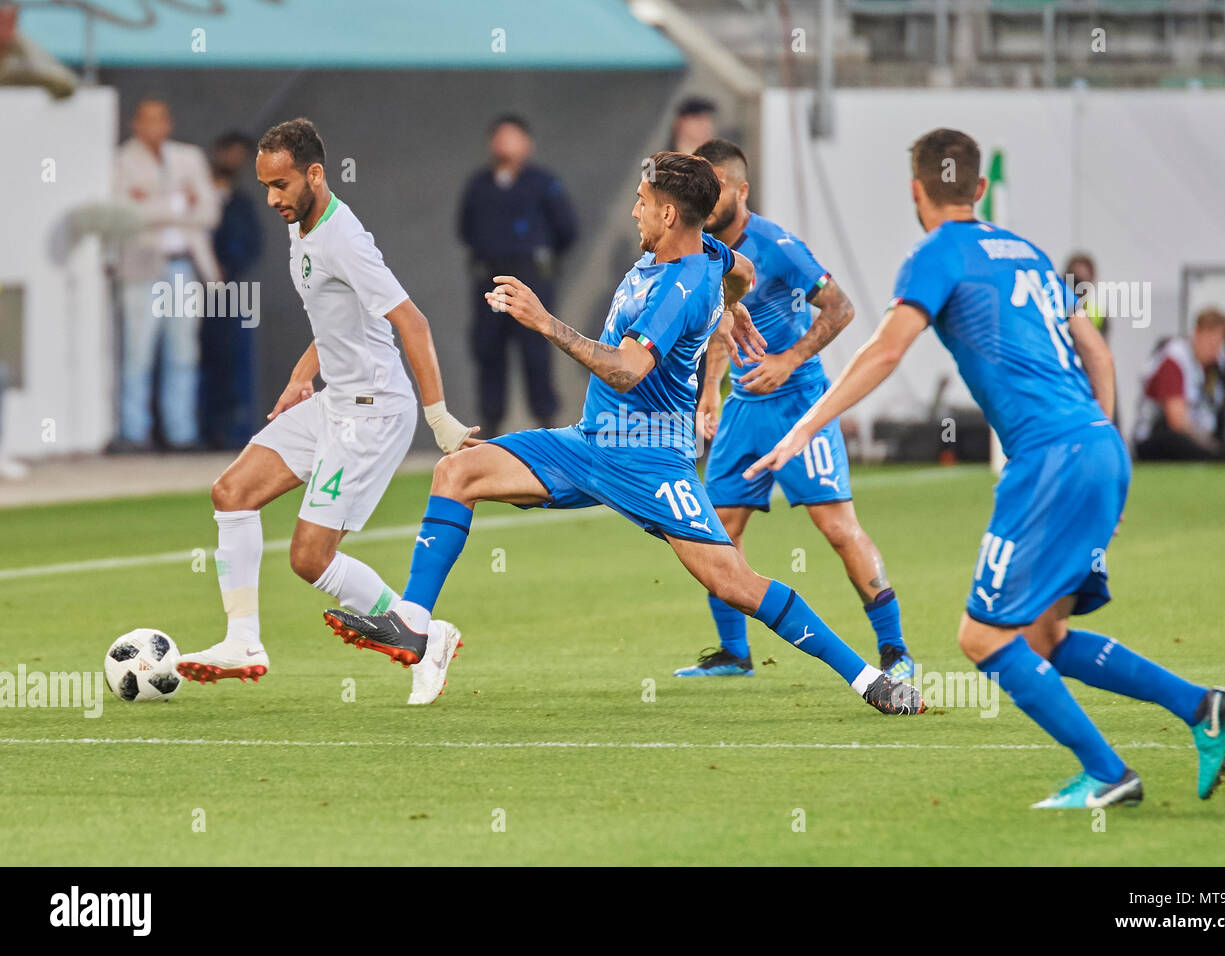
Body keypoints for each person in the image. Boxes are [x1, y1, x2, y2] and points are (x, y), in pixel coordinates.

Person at [321, 152, 925, 716]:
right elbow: (739, 269)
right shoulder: (706, 255)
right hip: (590, 444)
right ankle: (416, 623)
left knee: (734, 581)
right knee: (457, 471)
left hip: (649, 462)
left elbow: (628, 370)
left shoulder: (675, 288)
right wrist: (731, 306)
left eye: (641, 200)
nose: (634, 209)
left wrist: (544, 321)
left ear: (668, 213)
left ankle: (869, 679)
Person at [748, 128, 1225, 808]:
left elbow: (887, 352)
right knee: (1044, 634)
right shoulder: (1031, 254)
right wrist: (1100, 445)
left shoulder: (934, 254)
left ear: (917, 192)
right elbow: (1097, 353)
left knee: (982, 637)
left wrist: (807, 423)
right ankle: (1202, 708)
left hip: (1049, 456)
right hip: (1097, 445)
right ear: (979, 190)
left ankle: (1107, 773)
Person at [177, 118, 475, 706]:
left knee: (309, 558)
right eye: (265, 186)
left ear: (315, 174)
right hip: (334, 398)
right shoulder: (303, 225)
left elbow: (411, 322)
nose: (272, 199)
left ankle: (422, 633)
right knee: (231, 493)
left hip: (371, 413)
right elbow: (335, 317)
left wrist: (438, 416)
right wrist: (299, 377)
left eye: (281, 184)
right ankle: (243, 642)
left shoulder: (343, 238)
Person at [676, 139, 916, 681]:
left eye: (715, 187)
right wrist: (711, 390)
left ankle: (896, 650)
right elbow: (723, 323)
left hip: (800, 402)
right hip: (743, 406)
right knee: (716, 528)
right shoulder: (705, 250)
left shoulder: (777, 245)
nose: (706, 198)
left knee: (837, 527)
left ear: (741, 189)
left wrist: (789, 359)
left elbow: (842, 308)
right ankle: (736, 653)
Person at [458, 114, 577, 437]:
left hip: (530, 283)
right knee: (489, 352)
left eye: (513, 136)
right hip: (491, 285)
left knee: (536, 353)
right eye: (500, 136)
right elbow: (466, 229)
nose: (505, 143)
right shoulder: (479, 184)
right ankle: (489, 431)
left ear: (527, 143)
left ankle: (549, 429)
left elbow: (567, 229)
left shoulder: (543, 183)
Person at [113, 97, 220, 452]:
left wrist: (153, 204)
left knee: (183, 352)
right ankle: (134, 432)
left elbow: (209, 211)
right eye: (147, 120)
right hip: (144, 265)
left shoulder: (188, 158)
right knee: (138, 352)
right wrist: (177, 203)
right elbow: (125, 213)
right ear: (136, 124)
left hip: (182, 265)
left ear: (169, 123)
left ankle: (181, 432)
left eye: (160, 119)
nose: (154, 127)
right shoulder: (123, 160)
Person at [200, 130, 264, 450]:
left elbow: (253, 246)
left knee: (236, 360)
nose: (234, 161)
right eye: (231, 153)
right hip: (196, 289)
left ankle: (236, 431)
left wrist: (229, 267)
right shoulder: (197, 199)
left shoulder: (242, 203)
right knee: (199, 358)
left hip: (235, 291)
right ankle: (203, 430)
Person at [1134, 308, 1225, 461]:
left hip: (1200, 437)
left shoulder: (1218, 365)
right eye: (1210, 341)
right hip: (1159, 436)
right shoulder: (1175, 359)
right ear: (1196, 334)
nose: (1214, 349)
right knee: (1177, 441)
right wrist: (1212, 446)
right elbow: (1176, 421)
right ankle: (1222, 456)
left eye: (1218, 343)